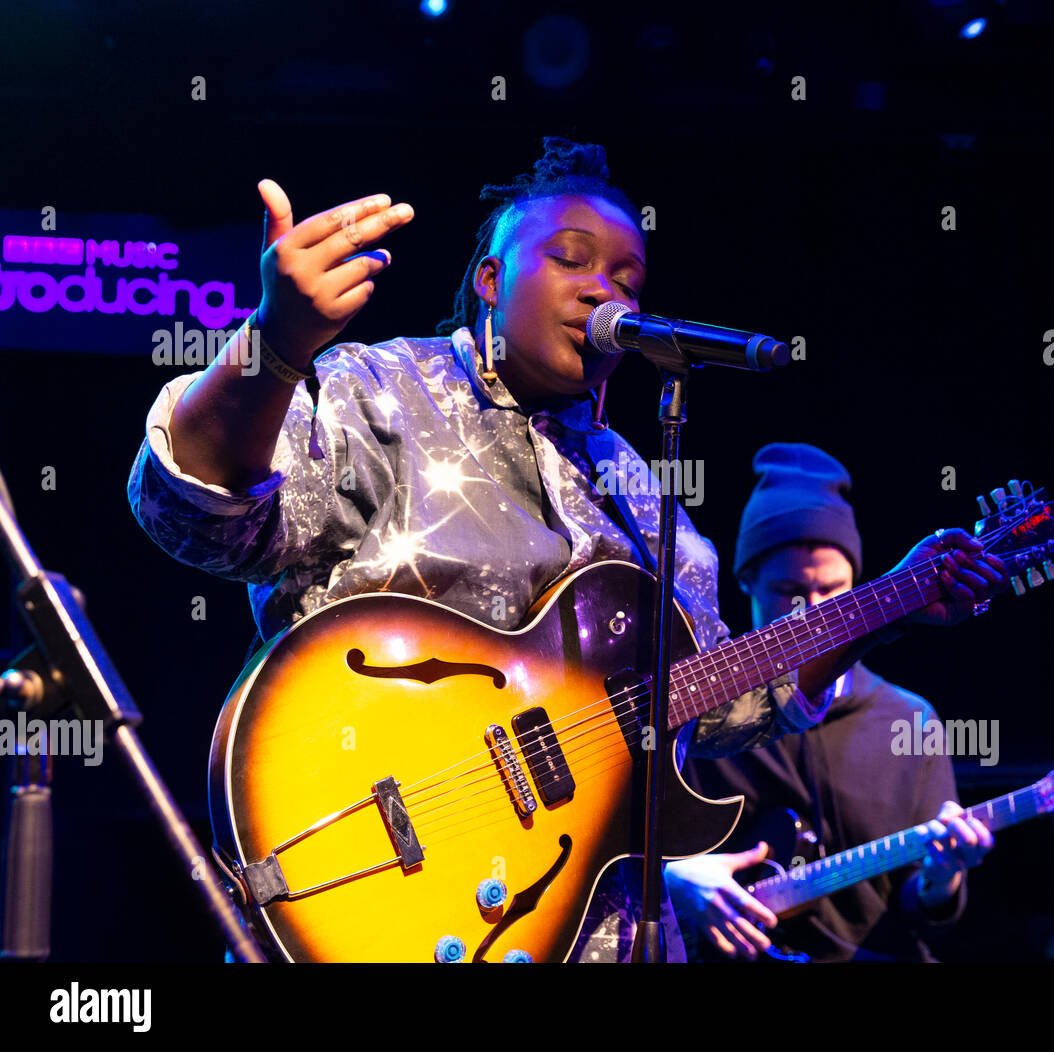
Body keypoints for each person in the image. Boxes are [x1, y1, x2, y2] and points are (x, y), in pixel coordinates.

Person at [125, 138, 1006, 962]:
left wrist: (887, 604)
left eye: (628, 276)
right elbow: (201, 518)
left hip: (577, 926)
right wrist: (276, 345)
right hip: (372, 863)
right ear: (489, 279)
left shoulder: (644, 496)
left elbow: (729, 710)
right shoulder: (384, 392)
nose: (604, 291)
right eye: (572, 259)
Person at [666, 444, 994, 962]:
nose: (812, 613)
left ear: (858, 587)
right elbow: (620, 851)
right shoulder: (699, 710)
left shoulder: (910, 721)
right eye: (789, 591)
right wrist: (674, 881)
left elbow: (921, 912)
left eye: (832, 590)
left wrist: (943, 878)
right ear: (746, 582)